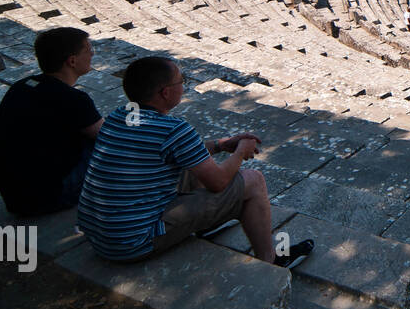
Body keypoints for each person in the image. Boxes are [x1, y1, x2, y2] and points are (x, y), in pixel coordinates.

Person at [78, 57, 312, 268]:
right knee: (254, 180)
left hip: (99, 234)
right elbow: (218, 182)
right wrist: (240, 152)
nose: (184, 85)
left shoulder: (118, 117)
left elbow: (181, 152)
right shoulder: (175, 130)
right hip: (134, 243)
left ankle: (206, 222)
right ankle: (269, 261)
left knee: (194, 169)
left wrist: (221, 145)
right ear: (165, 93)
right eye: (181, 80)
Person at [0, 28, 104, 216]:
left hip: (14, 195)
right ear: (72, 60)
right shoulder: (72, 99)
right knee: (116, 146)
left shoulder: (22, 86)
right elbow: (108, 136)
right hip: (48, 197)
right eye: (88, 50)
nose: (92, 54)